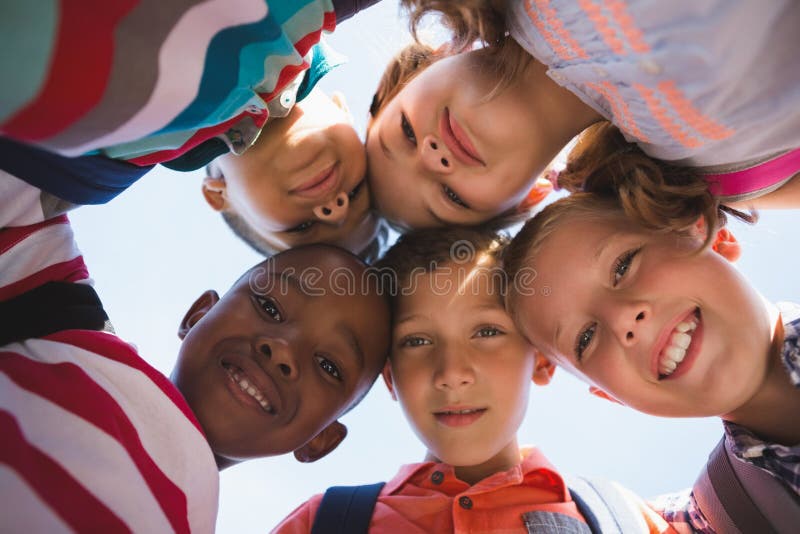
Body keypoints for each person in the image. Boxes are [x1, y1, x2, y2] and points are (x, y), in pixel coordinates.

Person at [0, 173, 391, 530]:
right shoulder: (61, 314)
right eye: (270, 307)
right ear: (198, 313)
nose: (284, 351)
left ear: (319, 440)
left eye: (328, 365)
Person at [272, 227, 675, 533]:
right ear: (390, 378)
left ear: (541, 359)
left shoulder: (624, 519)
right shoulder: (322, 523)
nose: (451, 373)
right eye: (416, 341)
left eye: (486, 332)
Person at [503, 166, 800, 531]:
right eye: (585, 338)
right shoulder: (715, 515)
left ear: (708, 233)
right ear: (612, 396)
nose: (624, 320)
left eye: (624, 265)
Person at [365, 0, 800, 231]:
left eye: (403, 132)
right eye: (452, 199)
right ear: (530, 197)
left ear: (420, 68)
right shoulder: (715, 172)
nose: (431, 157)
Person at [0, 0, 387, 257]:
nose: (335, 209)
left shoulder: (93, 173)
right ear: (344, 110)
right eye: (359, 189)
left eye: (303, 229)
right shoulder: (320, 10)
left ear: (218, 196)